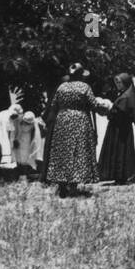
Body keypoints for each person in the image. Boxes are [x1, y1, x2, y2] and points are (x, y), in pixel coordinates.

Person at [44, 63, 100, 197]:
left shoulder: (61, 87)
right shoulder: (84, 87)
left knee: (63, 152)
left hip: (62, 121)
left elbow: (53, 105)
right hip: (80, 120)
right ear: (81, 74)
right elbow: (94, 105)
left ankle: (62, 184)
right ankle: (74, 185)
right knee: (78, 151)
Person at [98, 72, 135, 184]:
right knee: (118, 152)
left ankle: (123, 176)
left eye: (119, 82)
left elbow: (122, 112)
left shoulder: (127, 96)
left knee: (121, 151)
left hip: (121, 129)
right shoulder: (124, 94)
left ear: (125, 82)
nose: (117, 84)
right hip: (118, 128)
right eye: (116, 82)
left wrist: (110, 111)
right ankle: (120, 176)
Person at [11, 109, 44, 176]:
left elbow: (35, 136)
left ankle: (27, 171)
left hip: (28, 139)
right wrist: (15, 140)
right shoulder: (18, 121)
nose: (26, 124)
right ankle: (20, 171)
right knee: (19, 154)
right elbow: (15, 131)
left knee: (27, 155)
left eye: (28, 123)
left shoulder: (35, 125)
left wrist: (33, 143)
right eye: (25, 122)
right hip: (20, 139)